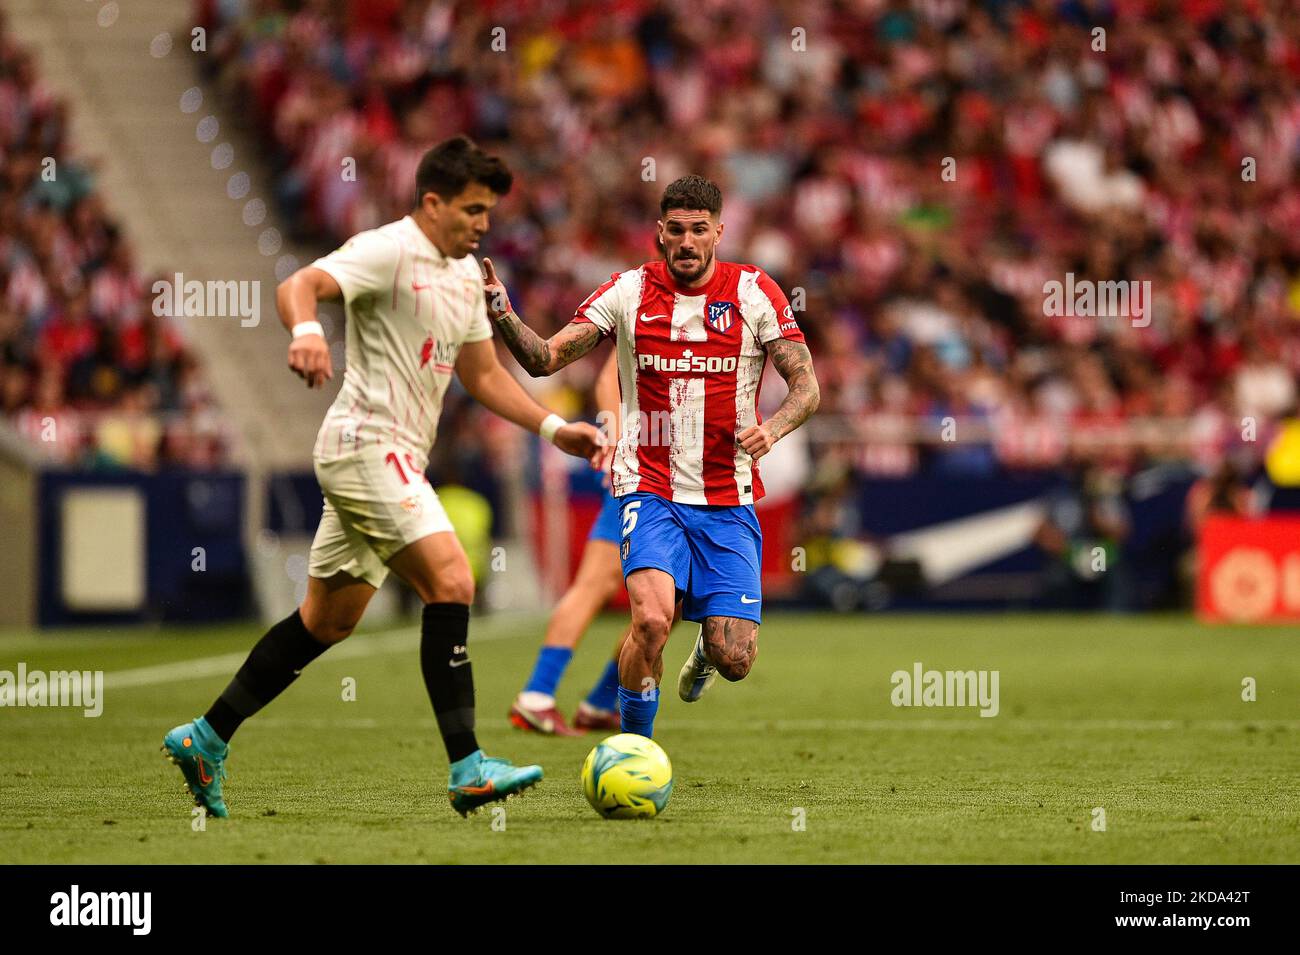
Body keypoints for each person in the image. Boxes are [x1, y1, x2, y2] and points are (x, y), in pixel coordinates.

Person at [162, 136, 603, 818]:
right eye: (472, 209)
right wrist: (306, 330)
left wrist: (552, 428)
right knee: (453, 580)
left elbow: (482, 376)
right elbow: (297, 284)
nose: (484, 223)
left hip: (389, 457)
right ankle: (467, 766)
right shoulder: (390, 249)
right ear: (432, 203)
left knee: (326, 621)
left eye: (488, 211)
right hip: (367, 445)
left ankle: (206, 735)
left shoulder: (462, 274)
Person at [486, 174, 819, 738]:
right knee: (651, 620)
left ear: (718, 232)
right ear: (659, 233)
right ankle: (634, 747)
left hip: (726, 496)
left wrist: (775, 428)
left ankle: (706, 653)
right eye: (676, 230)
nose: (686, 241)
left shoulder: (754, 291)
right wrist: (502, 312)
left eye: (698, 230)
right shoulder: (627, 291)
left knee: (735, 658)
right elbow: (545, 359)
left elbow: (806, 386)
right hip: (649, 487)